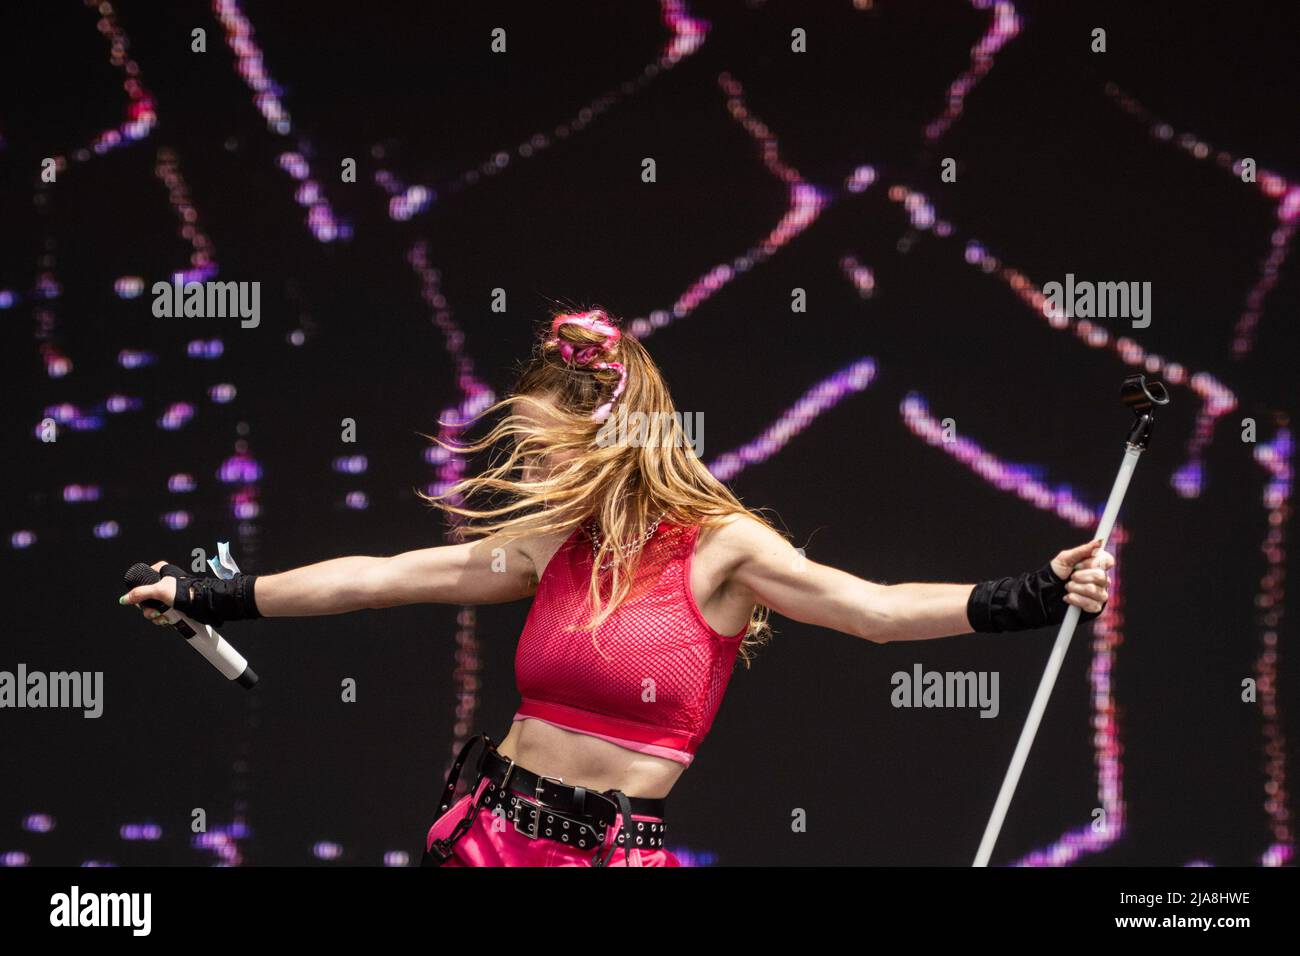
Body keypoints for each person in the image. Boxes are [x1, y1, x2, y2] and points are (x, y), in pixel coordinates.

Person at [119, 308, 1113, 867]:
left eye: (545, 447)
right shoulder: (553, 544)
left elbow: (875, 611)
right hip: (482, 836)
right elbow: (378, 580)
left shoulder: (721, 549)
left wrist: (1029, 592)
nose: (530, 467)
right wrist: (213, 594)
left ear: (610, 440)